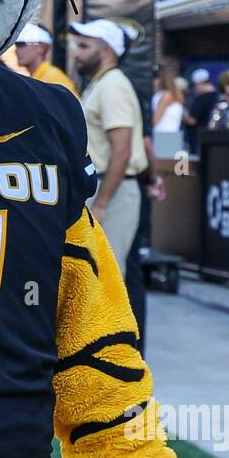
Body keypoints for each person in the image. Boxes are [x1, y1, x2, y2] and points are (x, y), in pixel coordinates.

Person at [69, 18, 148, 272]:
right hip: (106, 186)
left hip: (114, 190)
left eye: (83, 46)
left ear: (105, 51)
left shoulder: (113, 85)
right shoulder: (102, 83)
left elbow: (122, 151)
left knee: (105, 274)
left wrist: (102, 203)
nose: (76, 53)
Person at [0, 22, 77, 93]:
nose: (16, 50)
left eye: (22, 45)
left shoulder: (53, 79)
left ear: (41, 47)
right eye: (16, 45)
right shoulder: (40, 78)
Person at [181, 67, 217, 156]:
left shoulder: (201, 99)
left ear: (200, 84)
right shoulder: (217, 96)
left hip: (198, 141)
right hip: (212, 138)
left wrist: (182, 111)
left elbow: (192, 121)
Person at [151, 65, 184, 133]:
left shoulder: (167, 95)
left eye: (155, 77)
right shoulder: (162, 94)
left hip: (163, 135)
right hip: (165, 134)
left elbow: (155, 119)